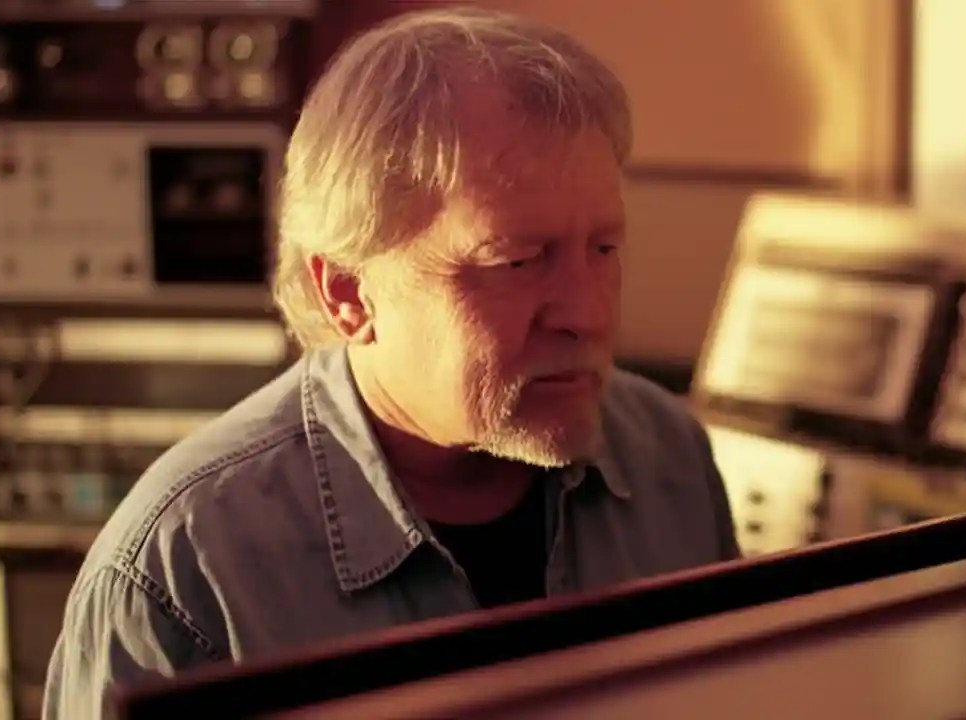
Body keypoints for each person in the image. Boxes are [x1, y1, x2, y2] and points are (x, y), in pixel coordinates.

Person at [43, 8, 740, 718]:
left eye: (605, 250)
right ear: (348, 292)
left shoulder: (668, 462)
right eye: (518, 261)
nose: (587, 313)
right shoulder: (184, 573)